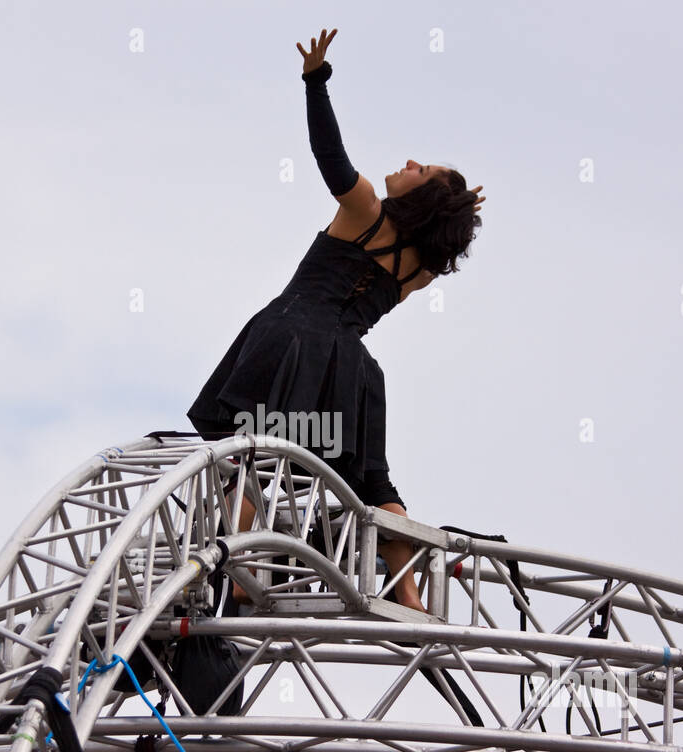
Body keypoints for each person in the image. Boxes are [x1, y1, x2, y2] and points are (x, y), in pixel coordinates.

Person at [187, 28, 484, 615]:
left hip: (290, 338)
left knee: (246, 451)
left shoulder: (366, 211)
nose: (409, 162)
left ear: (420, 198)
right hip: (354, 372)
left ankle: (239, 571)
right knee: (375, 484)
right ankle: (408, 593)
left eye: (420, 170)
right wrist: (452, 208)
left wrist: (315, 81)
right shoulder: (418, 269)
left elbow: (331, 156)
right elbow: (433, 239)